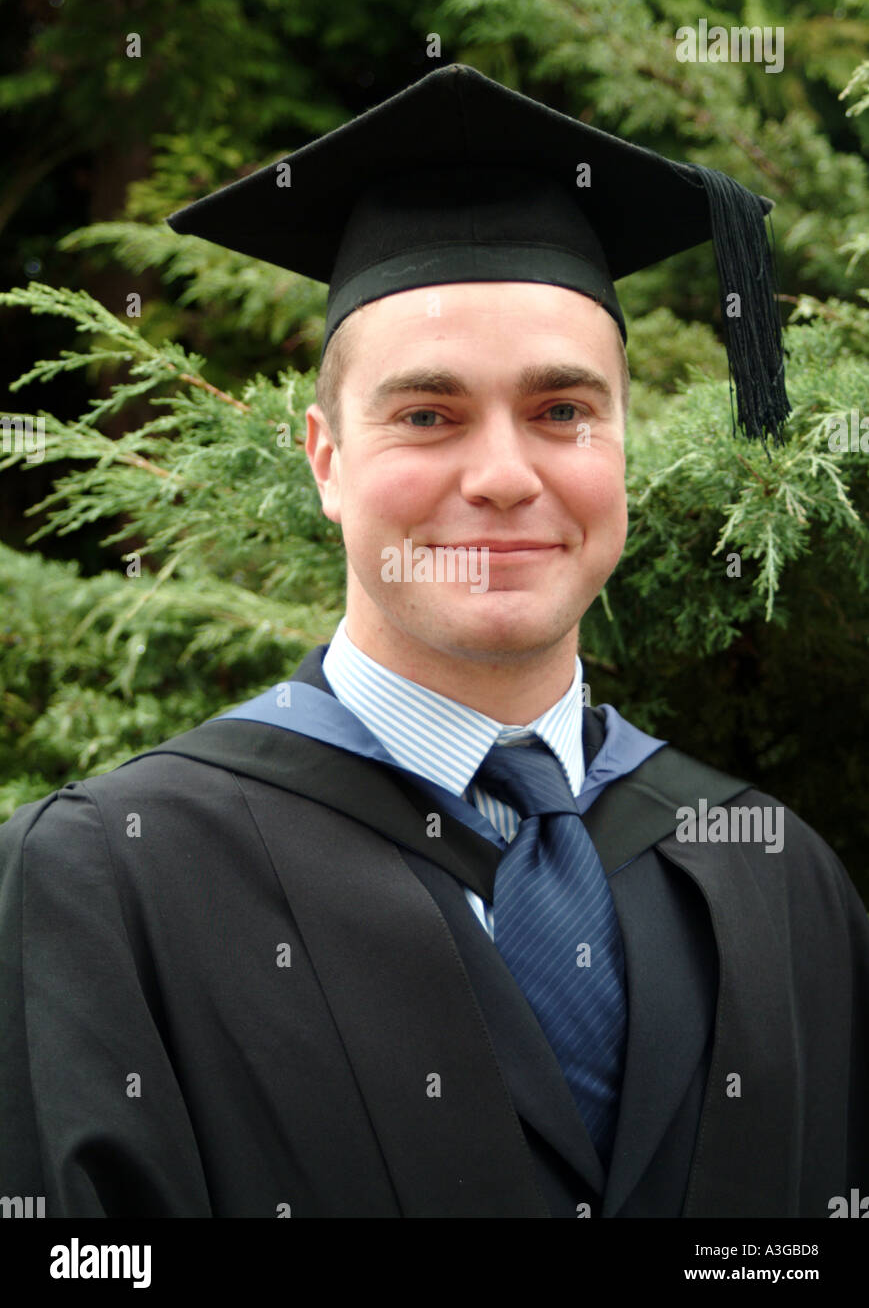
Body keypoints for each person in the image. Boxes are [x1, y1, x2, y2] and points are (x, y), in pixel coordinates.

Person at [1, 64, 866, 1219]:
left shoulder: (776, 875)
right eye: (427, 414)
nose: (504, 477)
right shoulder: (107, 882)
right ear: (324, 459)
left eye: (562, 411)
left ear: (620, 446)